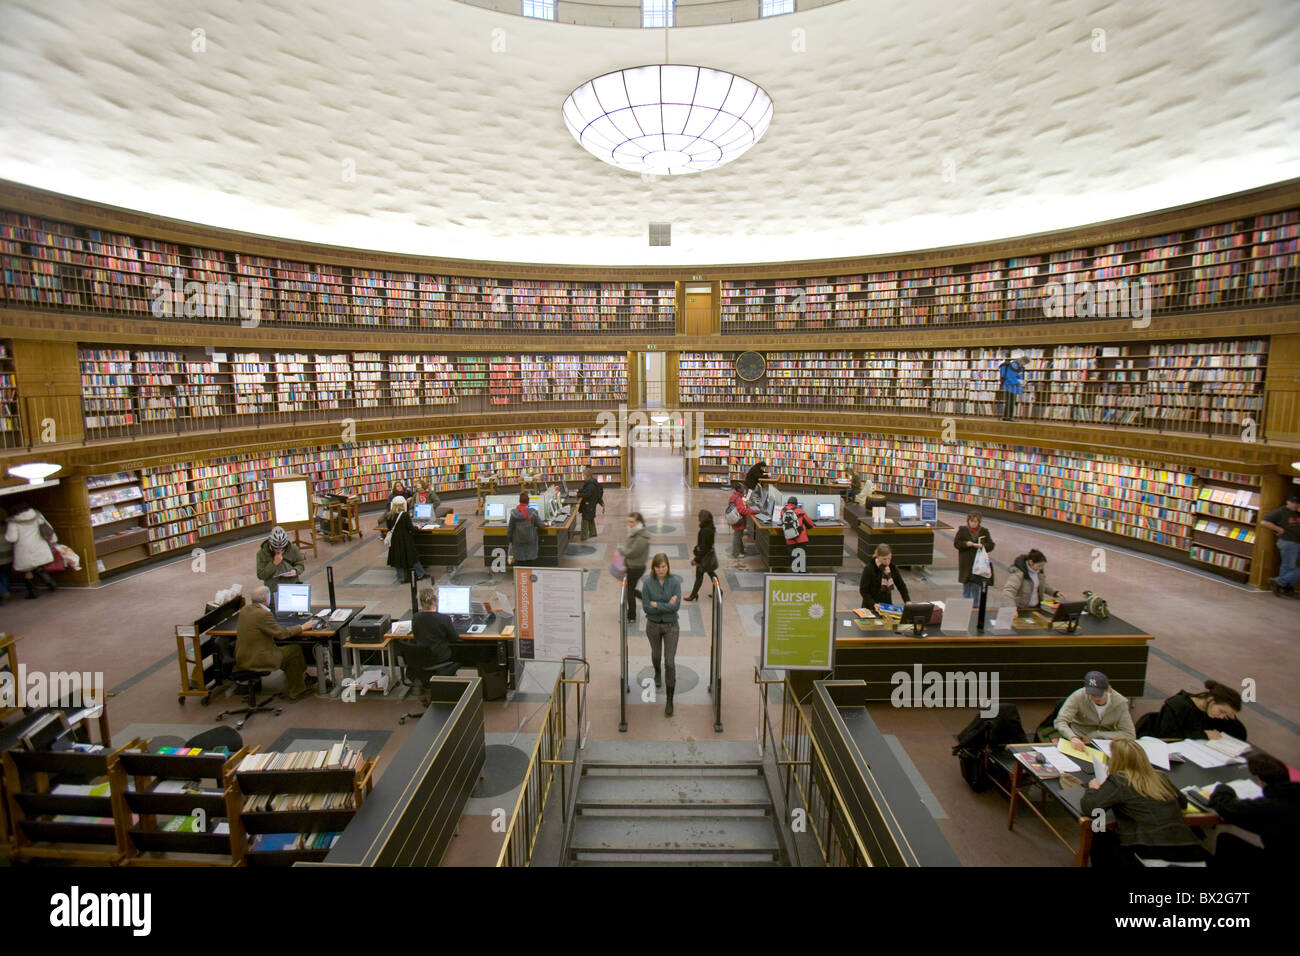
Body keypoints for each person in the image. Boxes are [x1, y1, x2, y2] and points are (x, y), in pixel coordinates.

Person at [1080, 738, 1203, 867]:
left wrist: (1092, 789)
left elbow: (1091, 808)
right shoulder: (1160, 777)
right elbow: (1182, 803)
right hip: (1190, 851)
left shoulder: (1119, 781)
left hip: (1150, 855)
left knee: (1100, 832)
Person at [1209, 751, 1300, 866]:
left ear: (1260, 780)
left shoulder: (1269, 807)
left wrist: (1223, 789)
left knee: (1226, 841)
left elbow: (1226, 807)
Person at [236, 585, 310, 701]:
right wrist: (302, 627)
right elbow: (281, 634)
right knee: (294, 650)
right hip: (259, 658)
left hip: (243, 656)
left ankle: (301, 679)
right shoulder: (263, 614)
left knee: (287, 653)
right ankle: (297, 690)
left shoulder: (245, 610)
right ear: (266, 599)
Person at [1135, 680, 1247, 741]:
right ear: (1210, 700)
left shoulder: (1214, 713)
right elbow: (1167, 734)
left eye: (1226, 715)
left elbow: (1240, 735)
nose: (1222, 716)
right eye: (1222, 711)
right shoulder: (1178, 705)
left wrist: (1233, 718)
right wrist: (1202, 735)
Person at [641, 552, 682, 717]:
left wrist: (656, 604)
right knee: (657, 655)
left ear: (668, 566)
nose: (661, 570)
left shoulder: (675, 582)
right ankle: (657, 671)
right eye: (658, 567)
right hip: (653, 626)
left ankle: (669, 700)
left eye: (664, 566)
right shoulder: (647, 584)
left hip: (671, 626)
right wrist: (666, 604)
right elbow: (646, 607)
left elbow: (675, 607)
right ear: (653, 568)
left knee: (670, 662)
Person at [1054, 670, 1136, 750]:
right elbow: (1060, 721)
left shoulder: (1120, 703)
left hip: (1105, 742)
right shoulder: (1078, 696)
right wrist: (1073, 737)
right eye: (1092, 694)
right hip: (1080, 739)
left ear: (1108, 689)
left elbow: (1129, 734)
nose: (1095, 698)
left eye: (1099, 694)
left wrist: (1097, 735)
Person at [4, 501, 58, 599]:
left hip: (24, 549)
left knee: (27, 571)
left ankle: (32, 592)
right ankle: (50, 582)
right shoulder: (37, 515)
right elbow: (48, 528)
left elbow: (12, 538)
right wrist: (54, 540)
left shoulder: (13, 522)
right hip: (39, 545)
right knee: (38, 566)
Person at [1260, 492, 1300, 596]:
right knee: (1288, 565)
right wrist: (1278, 529)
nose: (1295, 505)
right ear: (1288, 502)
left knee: (1288, 566)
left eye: (1297, 503)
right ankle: (1284, 586)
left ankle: (1280, 583)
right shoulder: (1281, 511)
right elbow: (1264, 522)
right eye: (1293, 503)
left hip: (1297, 542)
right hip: (1288, 541)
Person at [411, 585, 458, 669]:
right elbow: (454, 638)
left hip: (423, 657)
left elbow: (416, 635)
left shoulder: (415, 617)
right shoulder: (444, 618)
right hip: (440, 657)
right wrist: (450, 623)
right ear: (435, 601)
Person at [953, 512, 995, 601]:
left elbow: (991, 545)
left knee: (976, 583)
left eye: (975, 521)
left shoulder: (984, 531)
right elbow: (956, 543)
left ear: (979, 522)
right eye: (971, 521)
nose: (973, 523)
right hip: (966, 561)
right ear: (968, 521)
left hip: (978, 561)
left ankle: (975, 604)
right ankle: (966, 603)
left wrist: (983, 546)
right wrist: (966, 544)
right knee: (966, 582)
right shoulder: (962, 530)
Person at [617, 512, 650, 623]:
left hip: (636, 568)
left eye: (632, 522)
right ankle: (648, 602)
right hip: (631, 565)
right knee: (630, 589)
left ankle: (632, 616)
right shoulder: (635, 532)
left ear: (639, 522)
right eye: (629, 522)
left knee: (629, 591)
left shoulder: (641, 537)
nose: (630, 524)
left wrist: (620, 549)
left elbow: (632, 552)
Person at [385, 496, 426, 583]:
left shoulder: (389, 515)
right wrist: (418, 527)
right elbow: (410, 528)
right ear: (403, 504)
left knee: (398, 558)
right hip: (405, 540)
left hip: (395, 540)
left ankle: (401, 577)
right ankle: (420, 573)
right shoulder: (404, 515)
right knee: (412, 557)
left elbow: (389, 528)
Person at [859, 543, 911, 607]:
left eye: (889, 558)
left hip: (886, 605)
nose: (887, 562)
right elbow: (863, 590)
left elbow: (901, 585)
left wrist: (907, 601)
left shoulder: (892, 568)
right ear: (878, 556)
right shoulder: (869, 568)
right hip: (870, 606)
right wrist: (873, 604)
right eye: (884, 559)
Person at [685, 510, 718, 601]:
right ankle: (719, 591)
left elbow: (703, 548)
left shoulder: (705, 531)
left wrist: (696, 559)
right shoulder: (710, 527)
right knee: (712, 574)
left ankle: (693, 595)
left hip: (704, 558)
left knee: (699, 576)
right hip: (709, 556)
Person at [506, 492, 544, 568]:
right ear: (528, 501)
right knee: (530, 564)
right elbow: (541, 526)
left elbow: (510, 529)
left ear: (519, 501)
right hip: (531, 543)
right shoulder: (533, 512)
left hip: (517, 544)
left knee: (520, 565)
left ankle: (520, 577)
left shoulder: (514, 513)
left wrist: (510, 540)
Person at [725, 479, 757, 560]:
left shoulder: (734, 496)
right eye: (743, 488)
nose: (744, 489)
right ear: (739, 489)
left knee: (739, 536)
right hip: (739, 521)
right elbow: (742, 510)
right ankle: (736, 553)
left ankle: (741, 551)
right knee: (737, 537)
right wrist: (753, 511)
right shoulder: (738, 499)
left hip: (736, 519)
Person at [780, 496, 814, 562]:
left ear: (788, 503)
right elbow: (810, 525)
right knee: (800, 559)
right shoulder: (800, 511)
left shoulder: (783, 511)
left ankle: (797, 570)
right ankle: (802, 571)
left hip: (789, 537)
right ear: (796, 504)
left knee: (794, 558)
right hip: (801, 539)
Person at [998, 350, 1025, 421]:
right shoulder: (1014, 365)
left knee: (1011, 402)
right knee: (1010, 402)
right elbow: (1010, 377)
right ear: (1022, 361)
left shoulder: (1018, 366)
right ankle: (1008, 417)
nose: (1024, 364)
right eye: (1024, 363)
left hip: (1013, 386)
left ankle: (1008, 416)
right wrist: (1019, 382)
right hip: (1010, 386)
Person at [576, 468, 601, 541]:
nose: (583, 477)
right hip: (591, 504)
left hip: (588, 504)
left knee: (585, 519)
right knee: (590, 518)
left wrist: (577, 494)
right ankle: (593, 533)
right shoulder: (592, 483)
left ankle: (584, 536)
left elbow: (587, 494)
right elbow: (586, 490)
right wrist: (579, 491)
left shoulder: (591, 485)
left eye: (584, 476)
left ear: (588, 476)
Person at [0, 506, 12, 602]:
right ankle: (6, 589)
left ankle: (3, 591)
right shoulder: (7, 525)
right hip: (7, 552)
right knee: (5, 573)